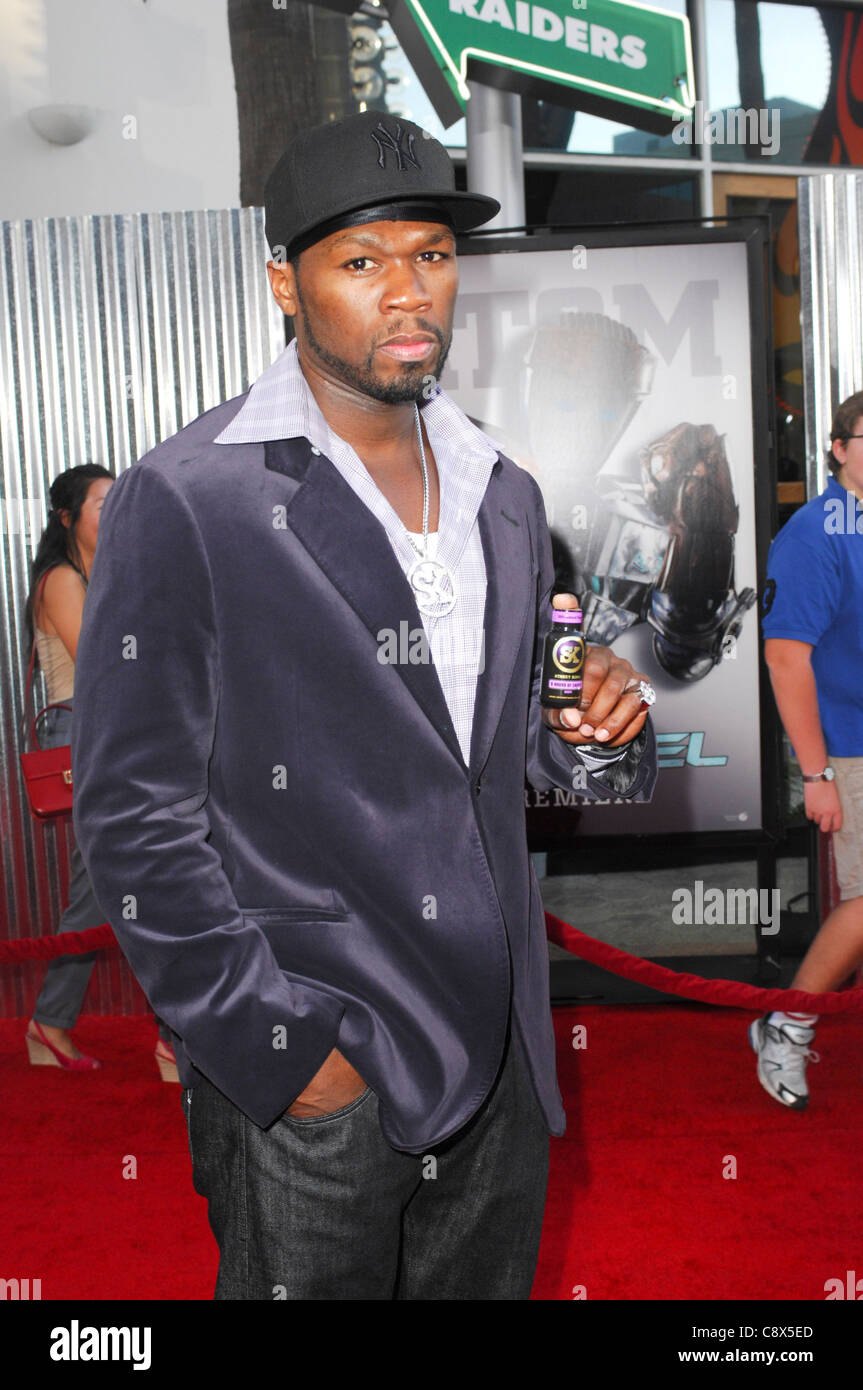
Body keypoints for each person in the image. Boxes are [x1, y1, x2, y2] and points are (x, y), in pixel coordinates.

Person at [71, 111, 656, 1300]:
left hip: (496, 1061)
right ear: (283, 282)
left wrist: (596, 722)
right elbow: (132, 817)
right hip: (315, 1080)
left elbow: (519, 762)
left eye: (430, 255)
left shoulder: (505, 492)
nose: (407, 292)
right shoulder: (191, 498)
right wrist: (285, 1055)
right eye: (360, 260)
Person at [24, 464, 178, 1083]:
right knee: (135, 878)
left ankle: (53, 1023)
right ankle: (172, 1036)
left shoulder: (103, 573)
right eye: (102, 502)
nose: (115, 511)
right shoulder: (62, 579)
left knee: (110, 885)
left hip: (119, 740)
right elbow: (109, 665)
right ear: (68, 518)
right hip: (90, 741)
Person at [754, 390, 863, 1108]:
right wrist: (815, 773)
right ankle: (787, 1026)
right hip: (850, 749)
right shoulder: (815, 534)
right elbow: (785, 659)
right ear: (838, 446)